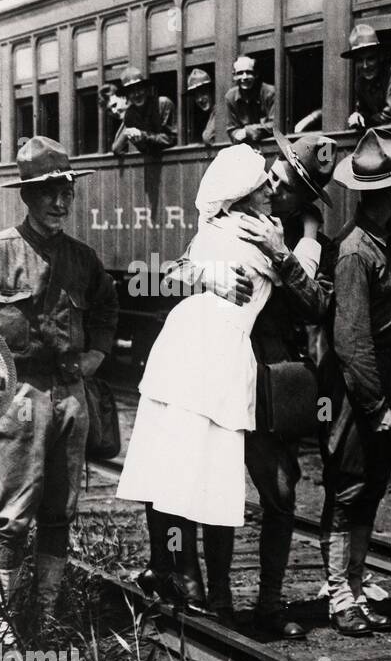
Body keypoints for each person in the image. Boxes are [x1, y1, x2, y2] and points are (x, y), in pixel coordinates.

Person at [163, 133, 340, 639]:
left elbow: (318, 306)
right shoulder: (230, 219)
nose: (276, 190)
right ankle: (206, 592)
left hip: (272, 376)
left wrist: (287, 255)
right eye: (277, 178)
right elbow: (178, 267)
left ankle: (269, 603)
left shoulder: (307, 239)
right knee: (207, 479)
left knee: (281, 490)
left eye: (290, 188)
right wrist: (211, 275)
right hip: (219, 366)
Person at [116, 146, 278, 624]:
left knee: (214, 475)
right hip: (191, 355)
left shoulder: (266, 234)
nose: (270, 191)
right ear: (242, 197)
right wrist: (207, 274)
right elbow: (167, 275)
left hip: (223, 358)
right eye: (262, 185)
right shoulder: (217, 233)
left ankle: (209, 587)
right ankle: (187, 579)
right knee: (182, 472)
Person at [0, 137, 117, 635]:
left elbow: (105, 308)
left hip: (69, 398)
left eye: (65, 191)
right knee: (12, 519)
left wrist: (97, 354)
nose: (59, 202)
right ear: (27, 197)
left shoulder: (82, 259)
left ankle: (46, 615)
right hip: (16, 399)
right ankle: (4, 629)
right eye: (47, 192)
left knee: (59, 514)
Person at [318, 129, 391, 636]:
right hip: (359, 392)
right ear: (382, 194)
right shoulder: (356, 252)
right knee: (347, 491)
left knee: (369, 491)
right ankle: (339, 598)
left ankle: (356, 593)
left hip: (383, 383)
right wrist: (377, 405)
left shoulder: (384, 240)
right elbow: (351, 342)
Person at [343, 24, 391, 130]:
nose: (365, 66)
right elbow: (364, 109)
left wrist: (366, 119)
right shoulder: (360, 82)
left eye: (370, 59)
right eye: (360, 60)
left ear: (380, 57)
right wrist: (359, 116)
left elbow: (390, 114)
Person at [111, 66, 175, 155]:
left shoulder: (162, 103)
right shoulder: (130, 114)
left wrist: (143, 136)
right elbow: (116, 149)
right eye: (131, 91)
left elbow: (172, 139)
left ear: (146, 89)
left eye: (139, 89)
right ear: (127, 95)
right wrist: (127, 134)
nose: (137, 94)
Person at [225, 55, 276, 146]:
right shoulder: (230, 97)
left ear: (256, 74)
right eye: (240, 73)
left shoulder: (270, 92)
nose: (244, 77)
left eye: (249, 72)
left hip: (267, 146)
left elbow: (274, 124)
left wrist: (247, 131)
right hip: (244, 148)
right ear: (234, 76)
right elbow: (231, 129)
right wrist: (237, 134)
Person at [186, 68, 216, 146]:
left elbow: (208, 138)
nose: (199, 99)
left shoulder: (219, 110)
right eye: (196, 96)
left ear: (211, 91)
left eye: (203, 93)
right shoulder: (209, 114)